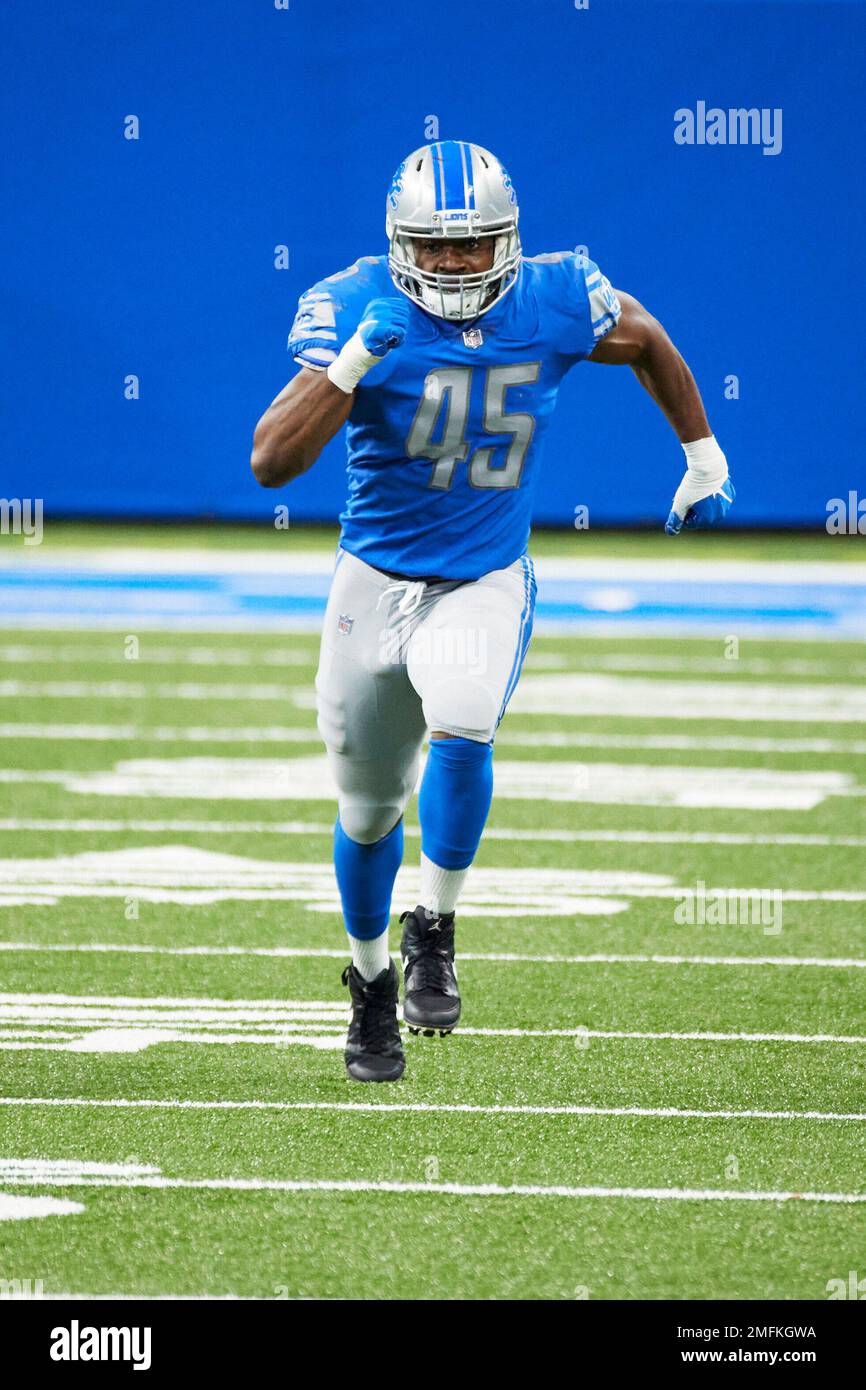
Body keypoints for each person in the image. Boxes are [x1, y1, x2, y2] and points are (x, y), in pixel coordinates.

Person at [250, 140, 735, 1082]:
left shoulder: (555, 297)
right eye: (436, 245)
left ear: (510, 241)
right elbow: (271, 461)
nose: (457, 263)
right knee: (365, 811)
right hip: (372, 581)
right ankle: (370, 980)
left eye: (476, 244)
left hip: (481, 575)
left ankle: (435, 919)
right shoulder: (354, 303)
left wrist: (702, 455)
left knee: (464, 723)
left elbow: (647, 338)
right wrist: (351, 362)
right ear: (400, 243)